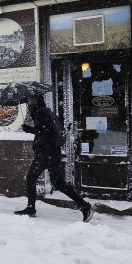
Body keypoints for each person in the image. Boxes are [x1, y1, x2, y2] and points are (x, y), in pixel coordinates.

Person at [14, 94, 94, 222]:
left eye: (28, 99)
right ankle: (84, 206)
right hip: (52, 152)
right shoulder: (43, 111)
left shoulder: (41, 112)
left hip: (46, 153)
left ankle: (31, 207)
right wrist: (32, 129)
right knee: (58, 183)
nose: (27, 101)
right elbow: (46, 130)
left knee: (31, 178)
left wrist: (33, 131)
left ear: (34, 99)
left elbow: (47, 131)